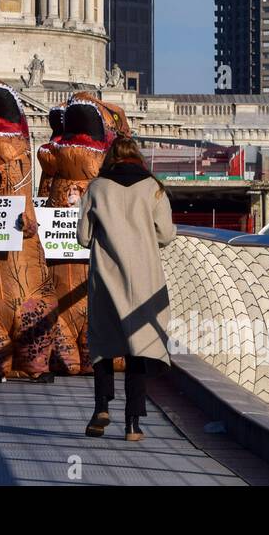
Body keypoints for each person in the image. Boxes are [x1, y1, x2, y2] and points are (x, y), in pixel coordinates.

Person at [76, 136, 176, 441]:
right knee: (138, 347)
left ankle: (100, 408)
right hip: (144, 277)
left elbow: (82, 237)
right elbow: (167, 235)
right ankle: (133, 423)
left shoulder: (97, 187)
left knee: (103, 344)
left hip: (106, 276)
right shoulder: (153, 188)